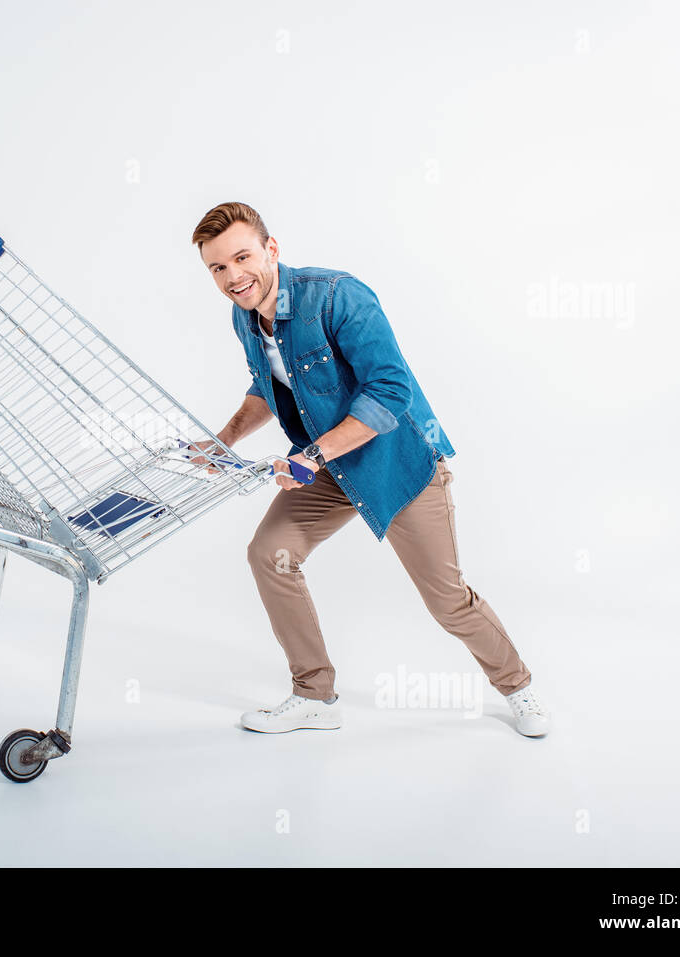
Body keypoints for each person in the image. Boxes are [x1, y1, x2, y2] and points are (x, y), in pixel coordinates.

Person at [186, 201, 549, 737]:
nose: (233, 277)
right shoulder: (244, 317)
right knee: (271, 554)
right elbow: (268, 386)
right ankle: (315, 696)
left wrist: (310, 456)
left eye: (242, 257)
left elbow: (390, 390)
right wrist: (223, 440)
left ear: (272, 249)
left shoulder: (336, 295)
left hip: (397, 463)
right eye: (218, 268)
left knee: (446, 600)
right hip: (327, 465)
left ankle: (520, 689)